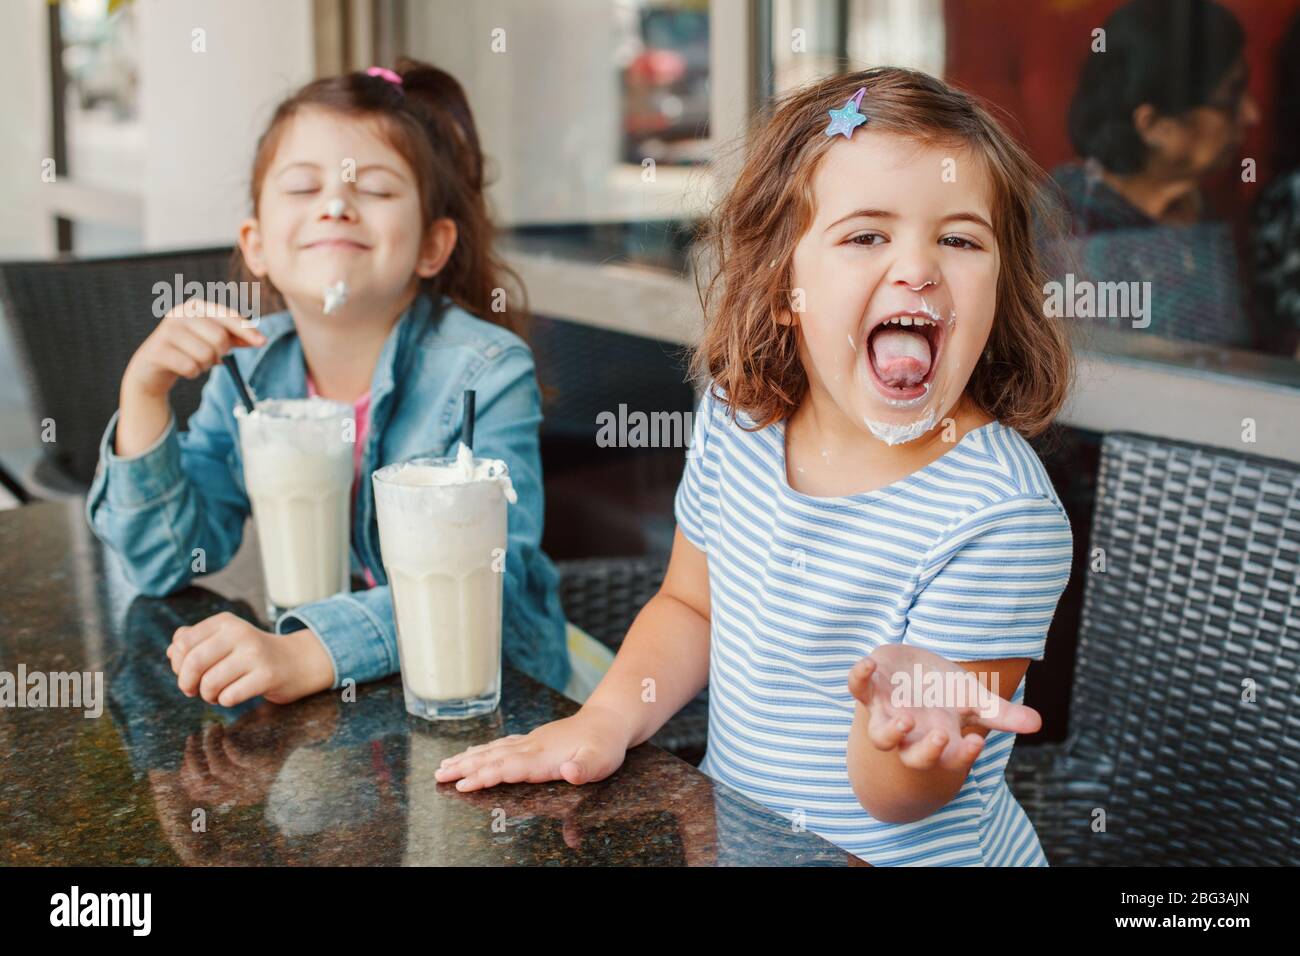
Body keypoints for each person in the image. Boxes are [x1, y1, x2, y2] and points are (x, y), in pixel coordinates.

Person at [437, 67, 1075, 866]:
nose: (919, 268)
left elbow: (901, 803)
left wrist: (904, 724)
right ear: (783, 290)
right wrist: (605, 719)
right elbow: (689, 608)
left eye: (959, 238)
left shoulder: (1000, 515)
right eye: (867, 235)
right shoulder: (740, 420)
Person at [86, 60, 607, 708]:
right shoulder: (249, 369)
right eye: (303, 188)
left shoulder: (484, 372)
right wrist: (144, 395)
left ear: (432, 246)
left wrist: (306, 651)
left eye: (377, 191)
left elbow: (490, 579)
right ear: (256, 244)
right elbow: (166, 562)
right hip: (336, 711)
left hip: (491, 703)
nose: (335, 205)